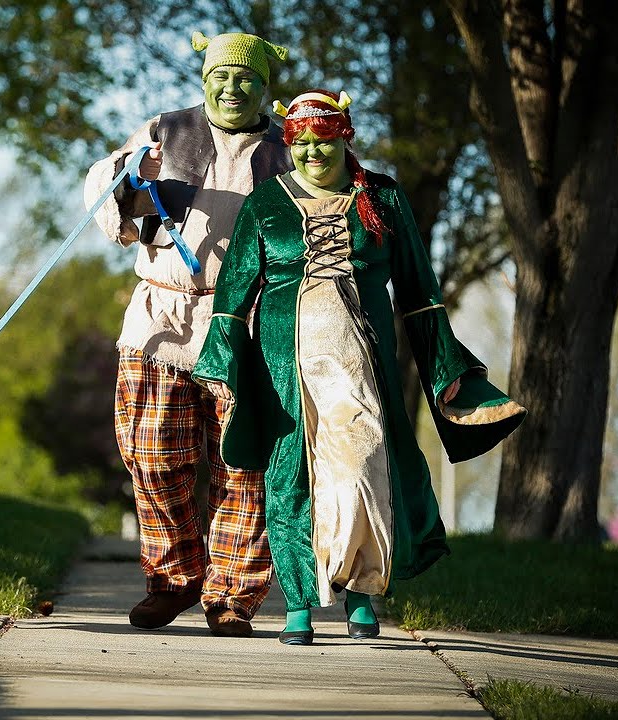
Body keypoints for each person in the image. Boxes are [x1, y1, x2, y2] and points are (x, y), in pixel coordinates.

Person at [191, 89, 527, 645]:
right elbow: (232, 293)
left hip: (363, 365)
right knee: (290, 476)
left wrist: (449, 371)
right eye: (301, 145)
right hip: (285, 372)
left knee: (366, 467)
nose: (313, 155)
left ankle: (363, 593)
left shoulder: (384, 199)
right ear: (289, 144)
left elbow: (420, 291)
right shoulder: (265, 204)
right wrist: (223, 365)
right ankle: (298, 606)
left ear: (345, 139)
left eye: (324, 143)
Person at [81, 31, 292, 638]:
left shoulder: (290, 150)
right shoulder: (165, 130)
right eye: (220, 76)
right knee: (151, 455)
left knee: (247, 466)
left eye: (246, 78)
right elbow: (103, 191)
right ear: (204, 80)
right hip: (160, 320)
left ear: (264, 86)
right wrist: (127, 173)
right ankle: (173, 578)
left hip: (248, 328)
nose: (232, 88)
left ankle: (231, 596)